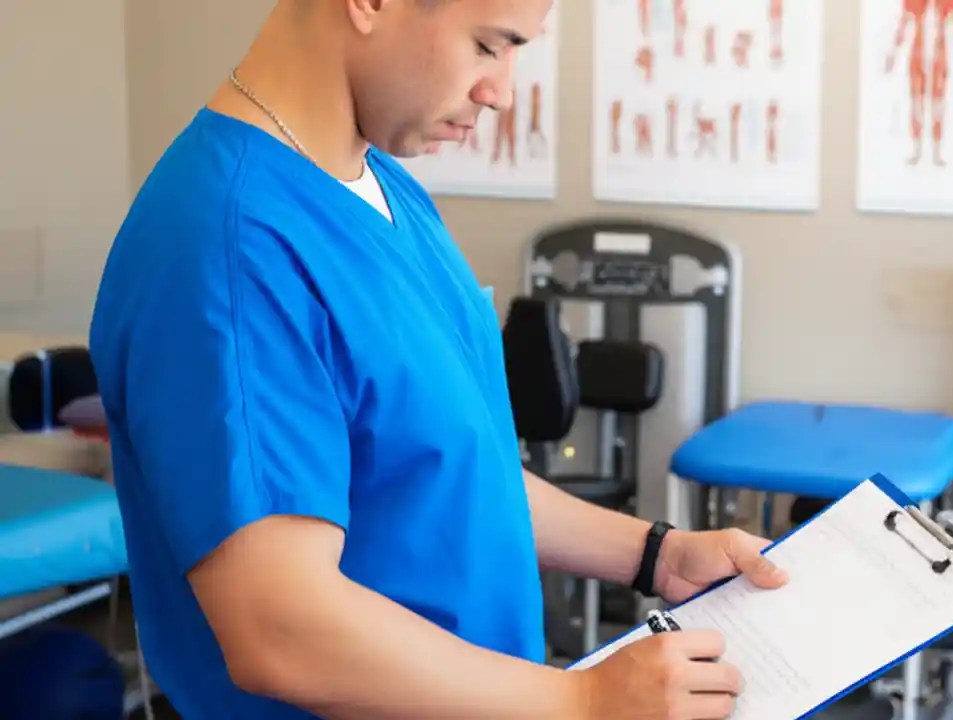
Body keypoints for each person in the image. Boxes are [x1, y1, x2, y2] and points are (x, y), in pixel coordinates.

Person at [88, 1, 787, 718]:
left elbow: (453, 469)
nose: (501, 92)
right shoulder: (230, 246)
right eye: (489, 45)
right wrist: (583, 701)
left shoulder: (384, 190)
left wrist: (657, 555)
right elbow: (280, 628)